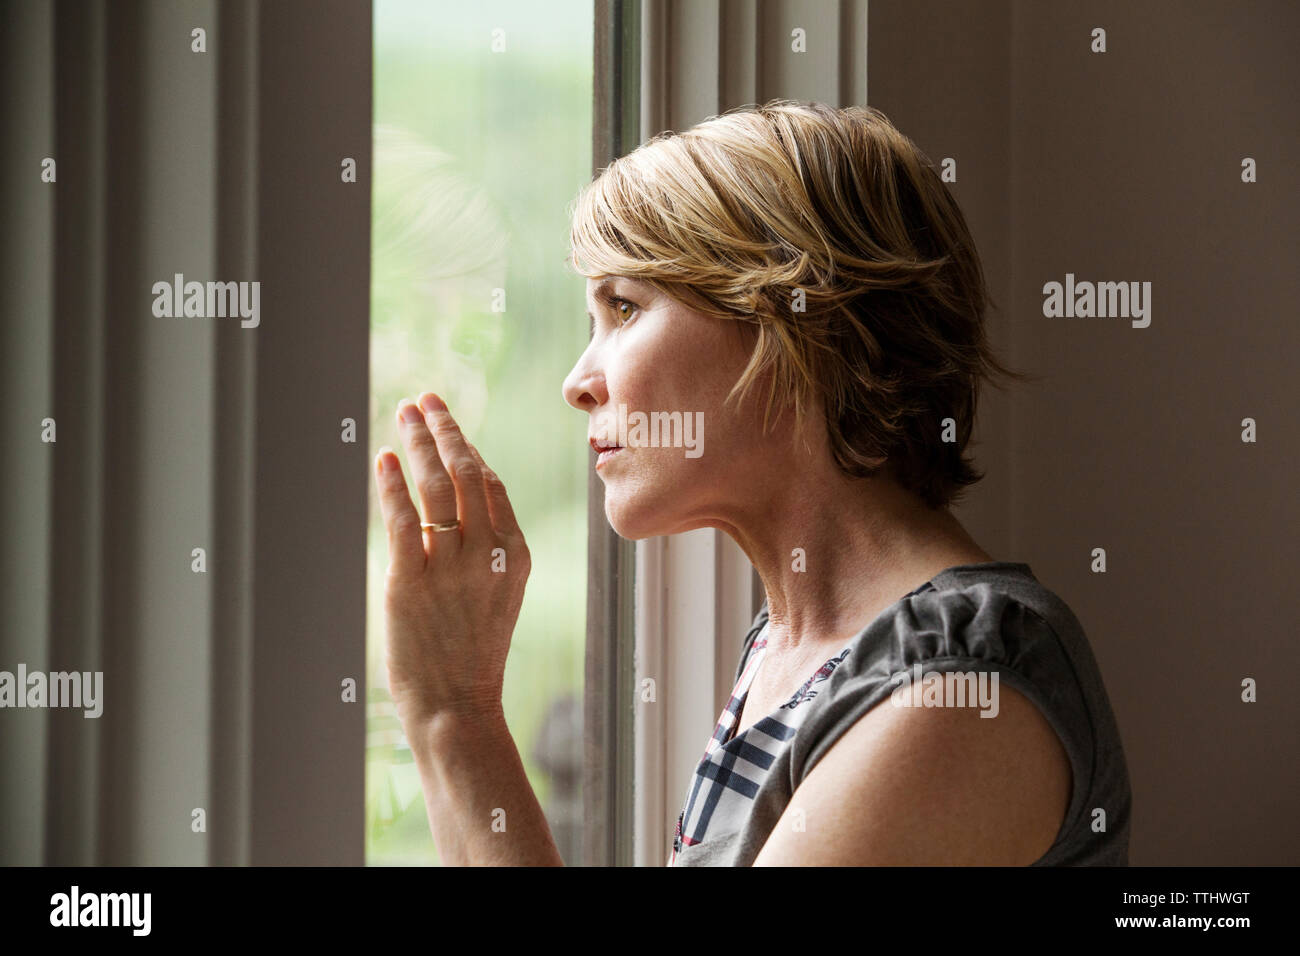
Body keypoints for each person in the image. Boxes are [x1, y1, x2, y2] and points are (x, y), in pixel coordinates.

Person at [373, 100, 1131, 866]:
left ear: (798, 328)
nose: (578, 382)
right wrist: (447, 712)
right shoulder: (791, 653)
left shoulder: (962, 687)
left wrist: (455, 716)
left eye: (625, 307)